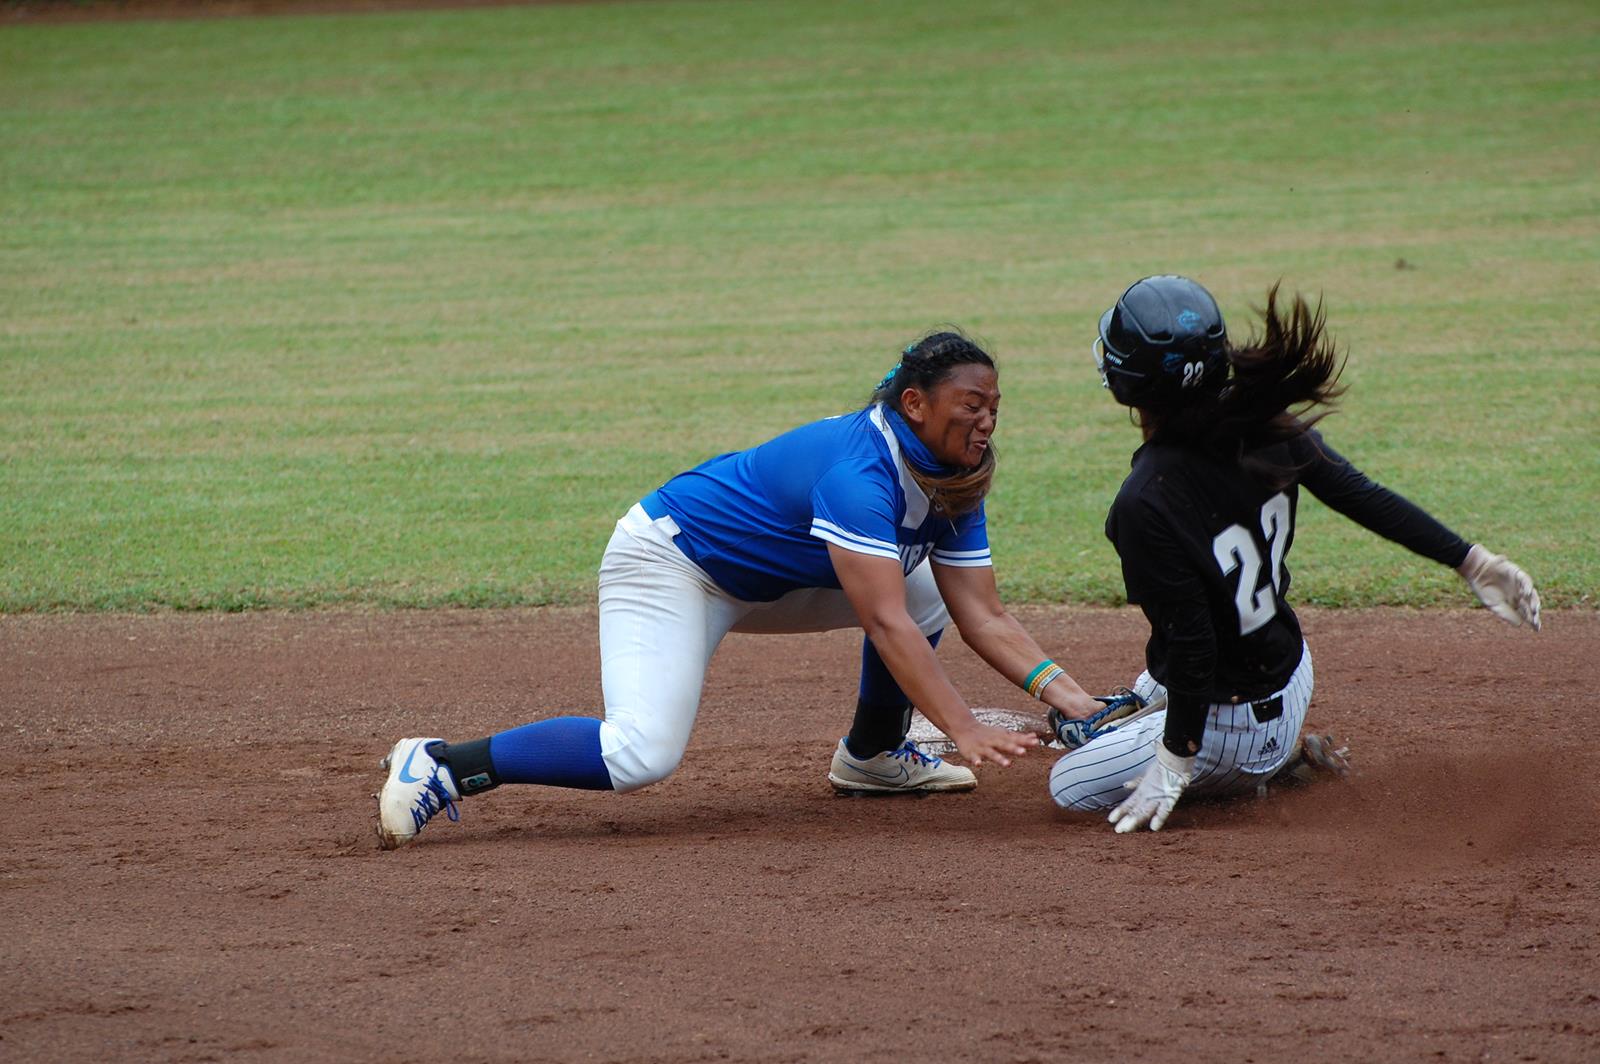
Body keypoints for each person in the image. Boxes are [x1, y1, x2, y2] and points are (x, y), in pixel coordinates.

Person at [377, 330, 1103, 848]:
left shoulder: (951, 473)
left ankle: (874, 756)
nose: (987, 419)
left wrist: (1077, 700)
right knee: (639, 755)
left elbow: (984, 611)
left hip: (775, 578)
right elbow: (885, 626)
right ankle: (444, 763)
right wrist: (962, 726)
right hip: (670, 565)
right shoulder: (860, 473)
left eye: (994, 404)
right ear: (914, 403)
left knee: (930, 590)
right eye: (971, 404)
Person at [1048, 275, 1541, 833]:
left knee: (1066, 785)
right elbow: (1365, 498)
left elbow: (1193, 648)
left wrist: (1174, 759)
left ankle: (1274, 768)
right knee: (1160, 673)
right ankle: (1171, 724)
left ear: (1127, 381)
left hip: (1234, 728)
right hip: (1290, 670)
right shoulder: (1265, 427)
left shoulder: (1144, 501)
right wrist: (1470, 560)